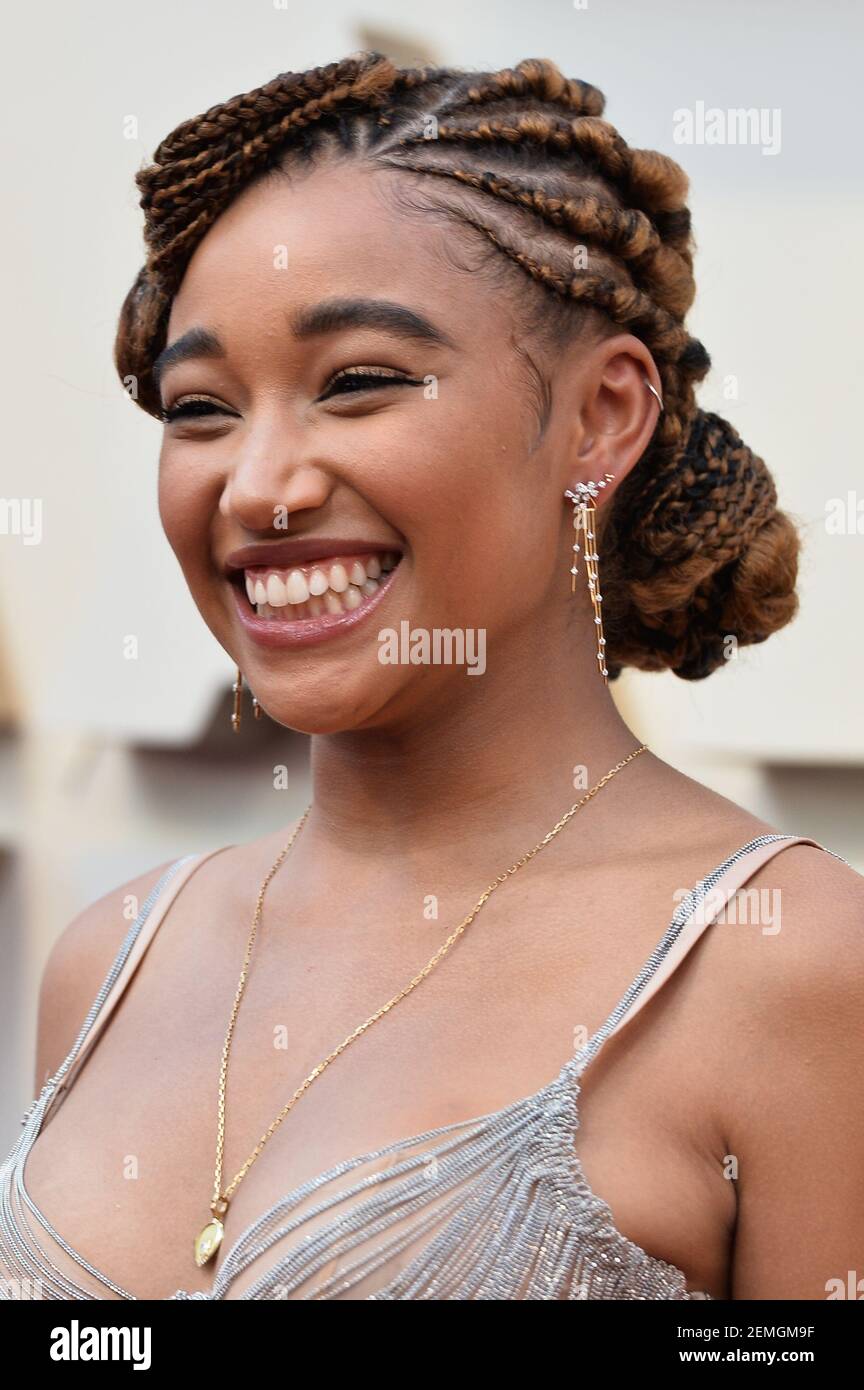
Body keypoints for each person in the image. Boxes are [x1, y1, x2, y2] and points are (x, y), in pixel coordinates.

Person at [2, 53, 861, 1302]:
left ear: (601, 418)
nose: (257, 486)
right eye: (201, 409)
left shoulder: (791, 964)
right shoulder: (111, 956)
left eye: (357, 382)